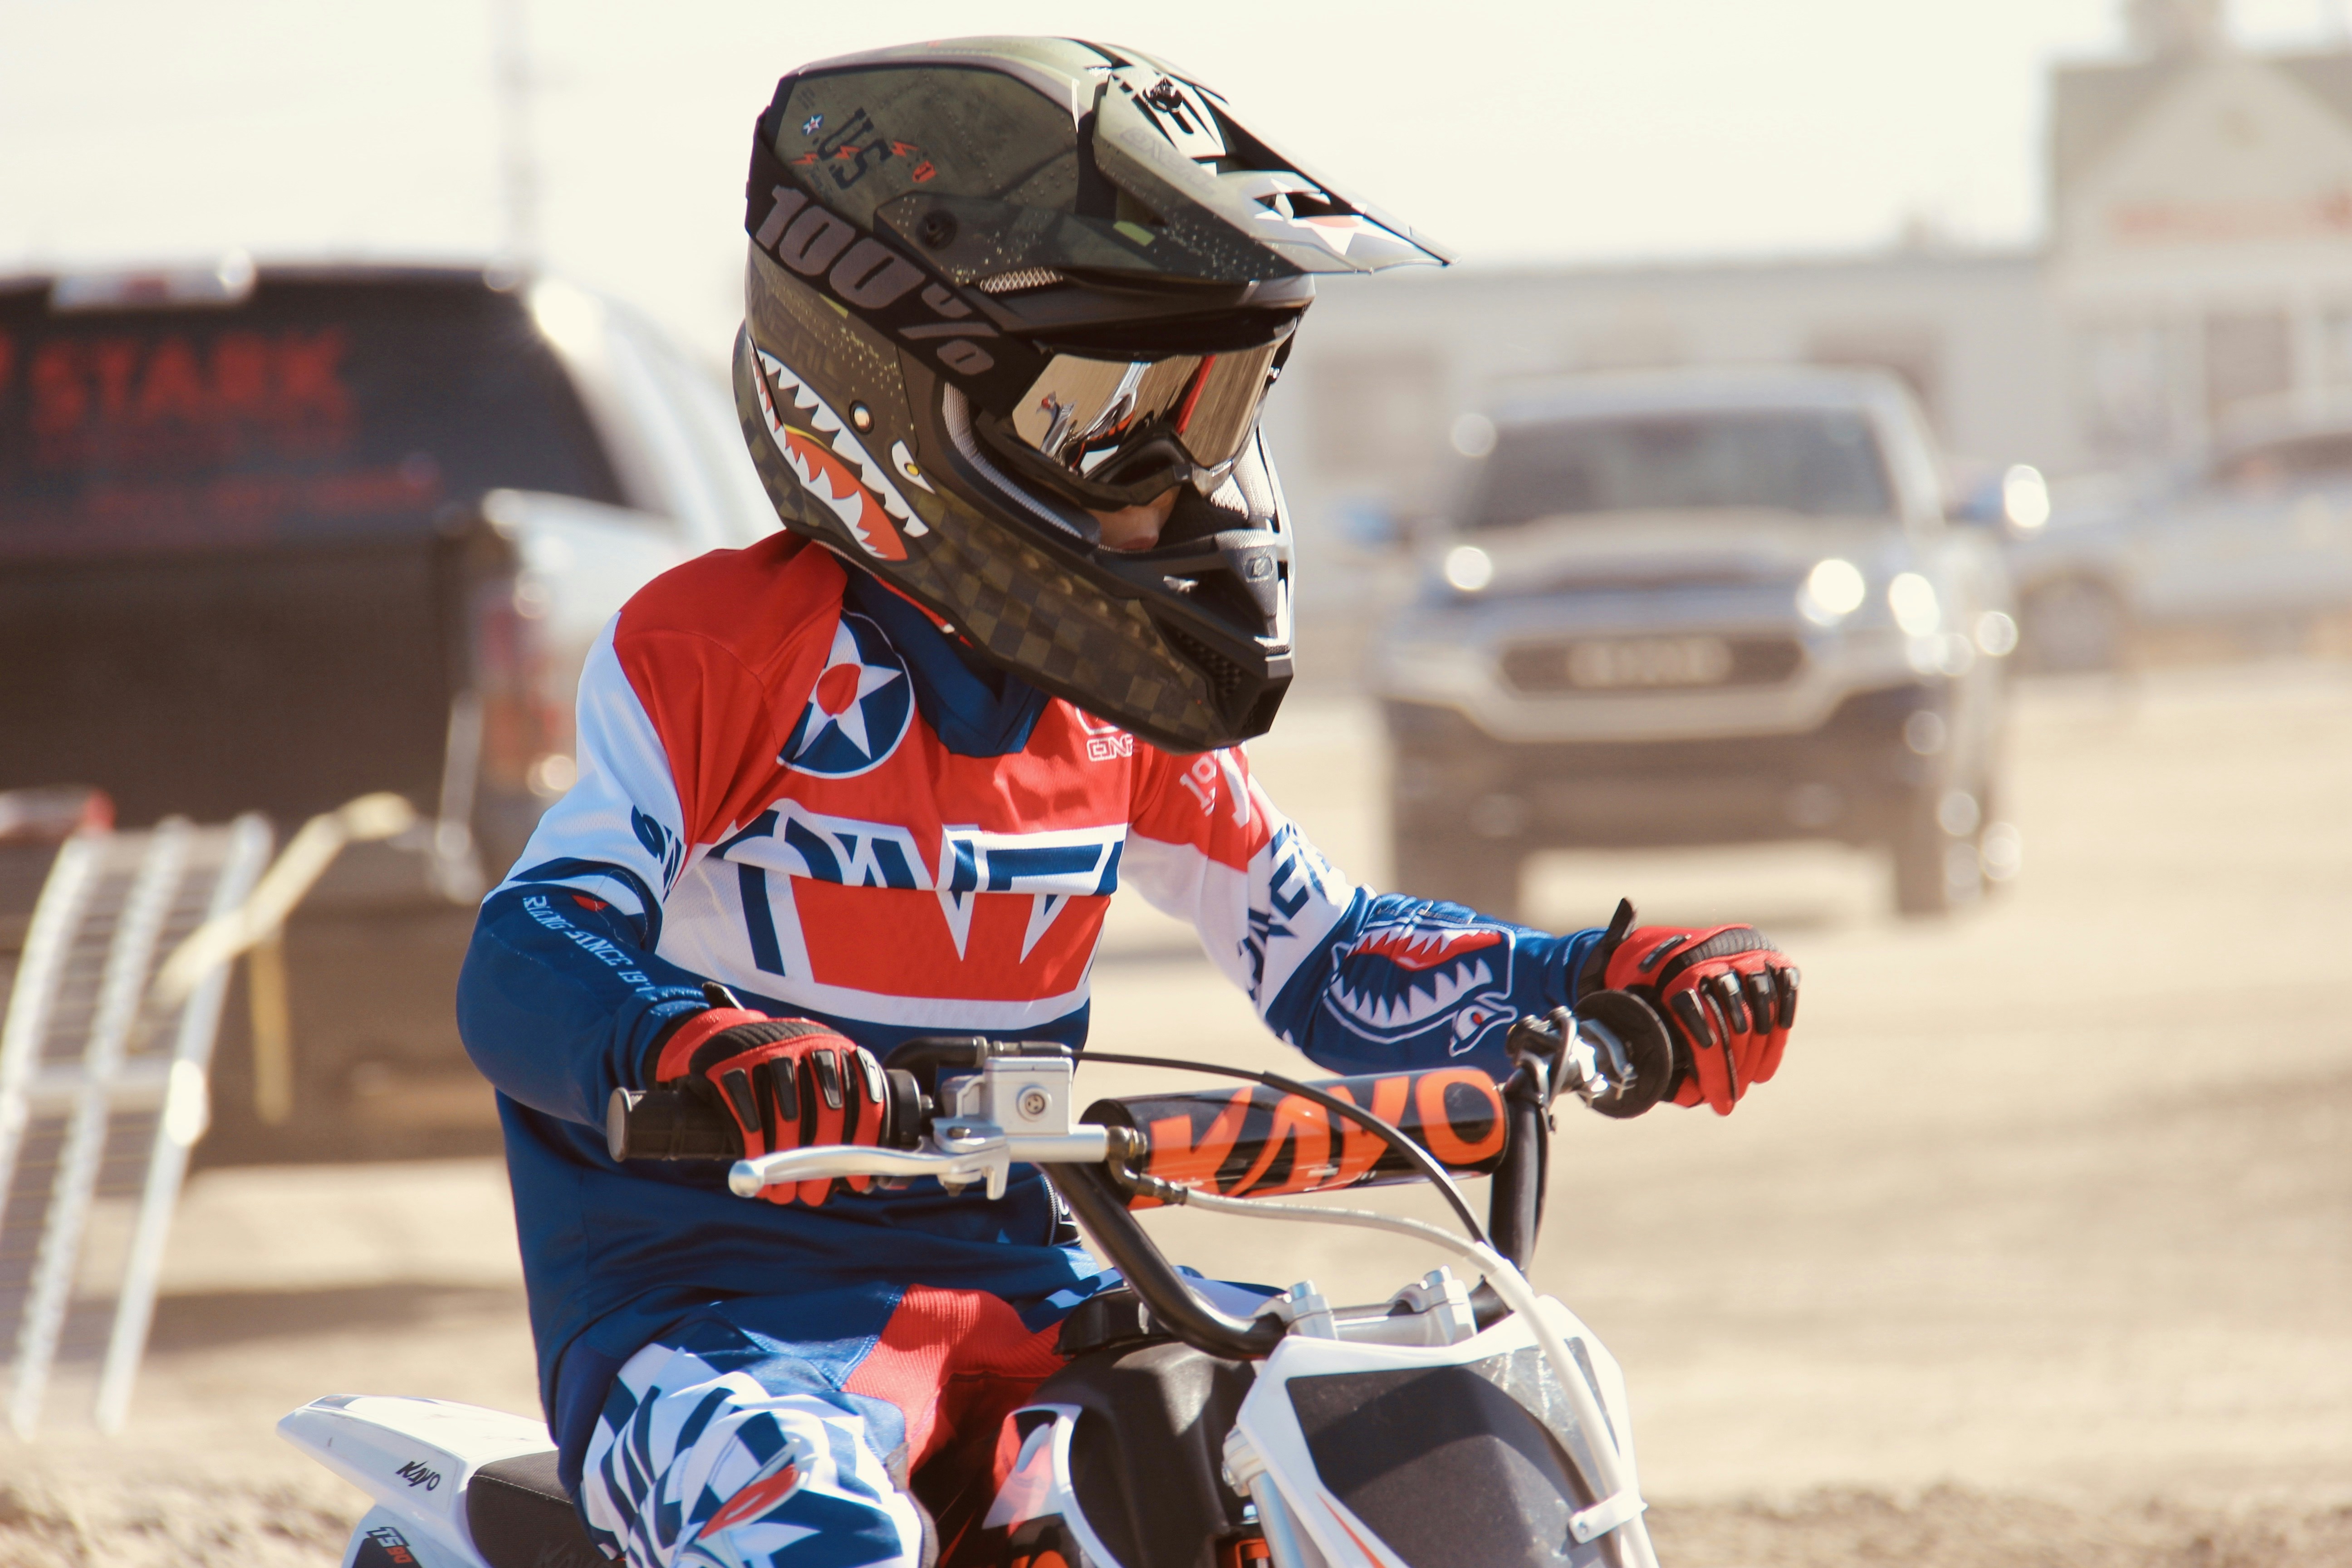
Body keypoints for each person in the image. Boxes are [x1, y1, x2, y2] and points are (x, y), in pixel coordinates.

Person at [456, 37, 1799, 1568]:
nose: (1183, 483)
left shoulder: (1116, 707)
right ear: (896, 393)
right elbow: (528, 948)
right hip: (721, 1324)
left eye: (1213, 412)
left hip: (1043, 1298)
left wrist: (1597, 980)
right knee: (814, 1524)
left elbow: (1330, 959)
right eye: (1121, 416)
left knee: (1363, 1429)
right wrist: (697, 1043)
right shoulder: (719, 649)